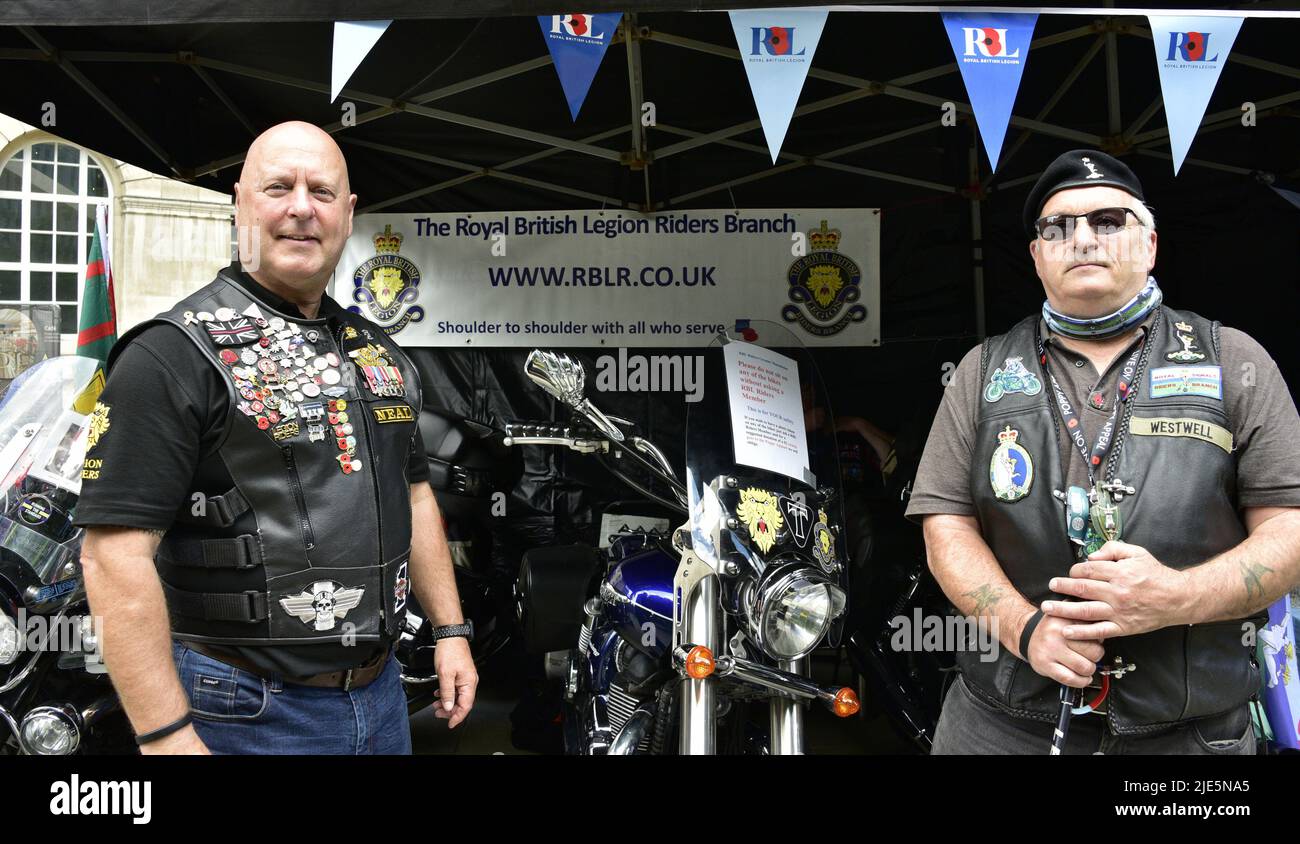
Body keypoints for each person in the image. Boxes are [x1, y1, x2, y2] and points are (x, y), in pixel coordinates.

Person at [75, 121, 478, 754]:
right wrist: (164, 736)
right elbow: (111, 556)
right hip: (242, 710)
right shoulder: (171, 355)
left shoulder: (382, 355)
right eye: (278, 187)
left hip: (383, 699)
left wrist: (450, 628)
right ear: (240, 203)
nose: (300, 207)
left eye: (321, 192)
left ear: (347, 216)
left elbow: (415, 491)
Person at [905, 149, 1300, 754]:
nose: (1082, 238)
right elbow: (946, 530)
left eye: (1109, 221)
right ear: (1037, 257)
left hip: (1190, 739)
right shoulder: (979, 373)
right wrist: (1024, 628)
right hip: (1000, 729)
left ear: (1150, 244)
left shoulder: (1234, 361)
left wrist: (1175, 597)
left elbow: (1291, 534)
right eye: (1057, 227)